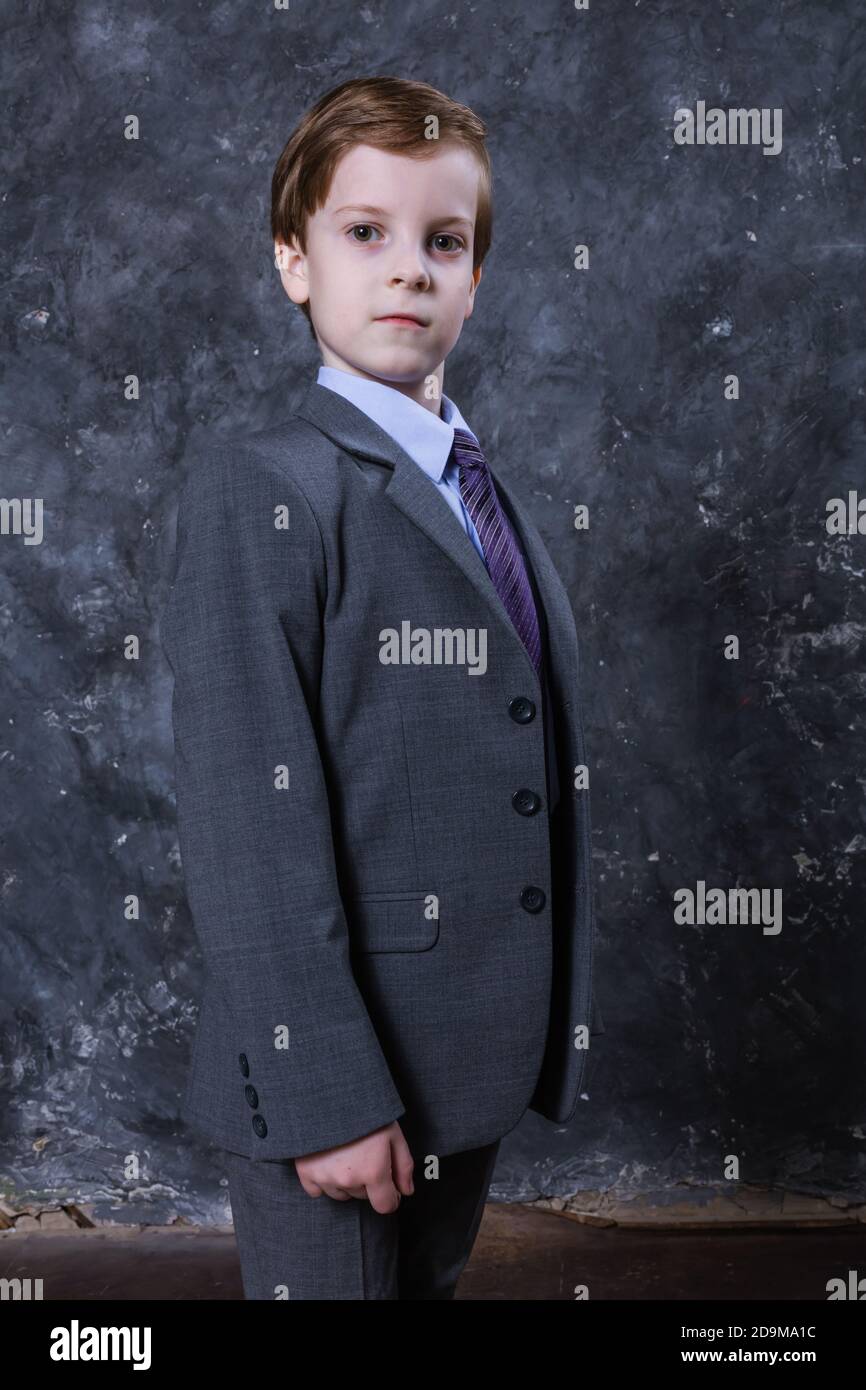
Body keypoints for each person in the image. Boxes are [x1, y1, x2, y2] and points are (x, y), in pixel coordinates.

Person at [160, 74, 603, 1301]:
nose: (406, 269)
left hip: (460, 1050)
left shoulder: (479, 486)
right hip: (338, 1074)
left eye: (442, 241)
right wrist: (328, 1096)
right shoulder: (266, 488)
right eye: (365, 234)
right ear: (293, 261)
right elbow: (249, 821)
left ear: (475, 279)